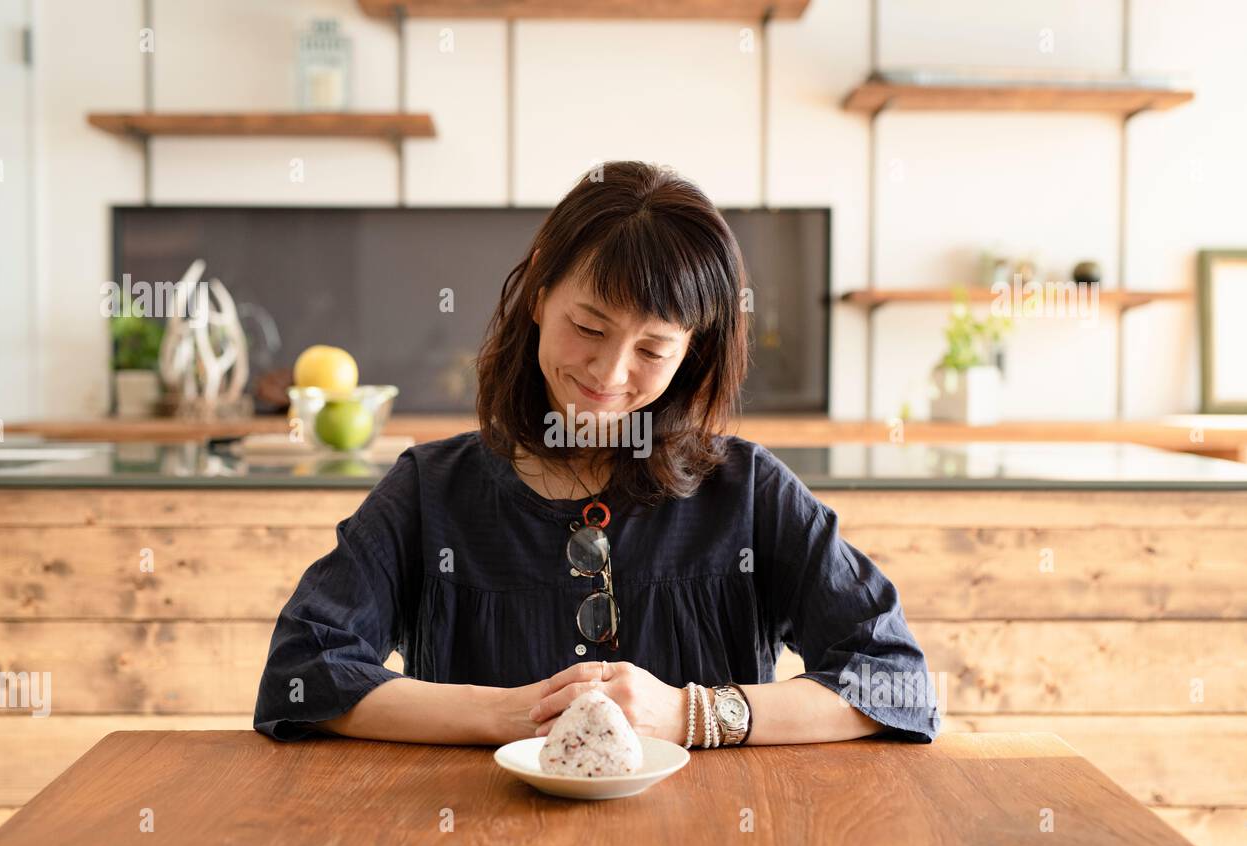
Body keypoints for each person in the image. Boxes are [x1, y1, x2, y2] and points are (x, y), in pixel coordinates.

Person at [253, 160, 941, 749]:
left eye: (652, 349)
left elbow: (896, 682)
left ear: (692, 351)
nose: (610, 373)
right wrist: (506, 715)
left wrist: (693, 714)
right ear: (538, 294)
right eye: (588, 326)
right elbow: (301, 672)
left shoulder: (750, 493)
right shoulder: (430, 493)